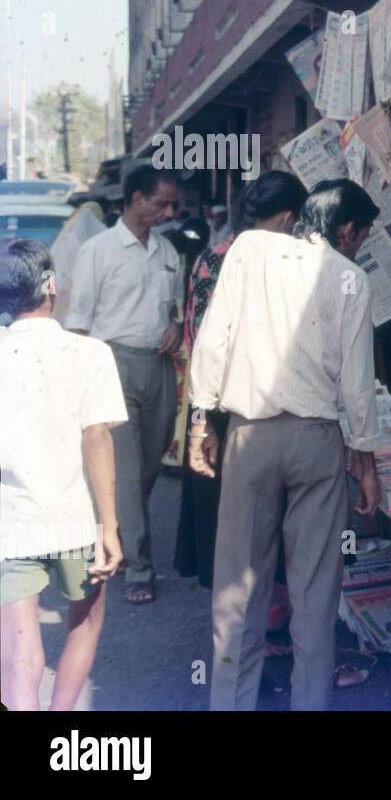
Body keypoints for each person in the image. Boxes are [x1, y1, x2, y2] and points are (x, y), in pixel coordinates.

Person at [189, 179, 383, 711]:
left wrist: (200, 420)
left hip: (249, 436)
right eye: (362, 236)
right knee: (316, 597)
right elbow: (357, 383)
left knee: (237, 593)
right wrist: (365, 461)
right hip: (317, 441)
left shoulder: (248, 248)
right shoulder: (350, 277)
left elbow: (214, 338)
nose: (359, 246)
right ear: (346, 229)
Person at [0, 238, 127, 710]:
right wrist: (108, 527)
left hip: (10, 521)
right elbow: (98, 439)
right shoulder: (90, 353)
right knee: (87, 622)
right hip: (75, 519)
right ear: (50, 285)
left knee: (16, 653)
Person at [177, 171, 308, 592]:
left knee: (230, 522)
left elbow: (198, 341)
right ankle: (264, 613)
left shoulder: (212, 256)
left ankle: (240, 619)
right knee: (267, 517)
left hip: (216, 400)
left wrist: (202, 416)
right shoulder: (294, 262)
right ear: (289, 218)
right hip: (263, 406)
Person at [64, 166, 181, 605]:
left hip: (158, 366)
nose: (169, 212)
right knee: (129, 473)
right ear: (134, 199)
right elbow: (78, 323)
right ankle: (138, 568)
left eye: (171, 204)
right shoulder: (98, 251)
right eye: (160, 203)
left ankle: (111, 525)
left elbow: (170, 309)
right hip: (110, 363)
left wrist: (174, 326)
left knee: (150, 462)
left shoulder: (168, 250)